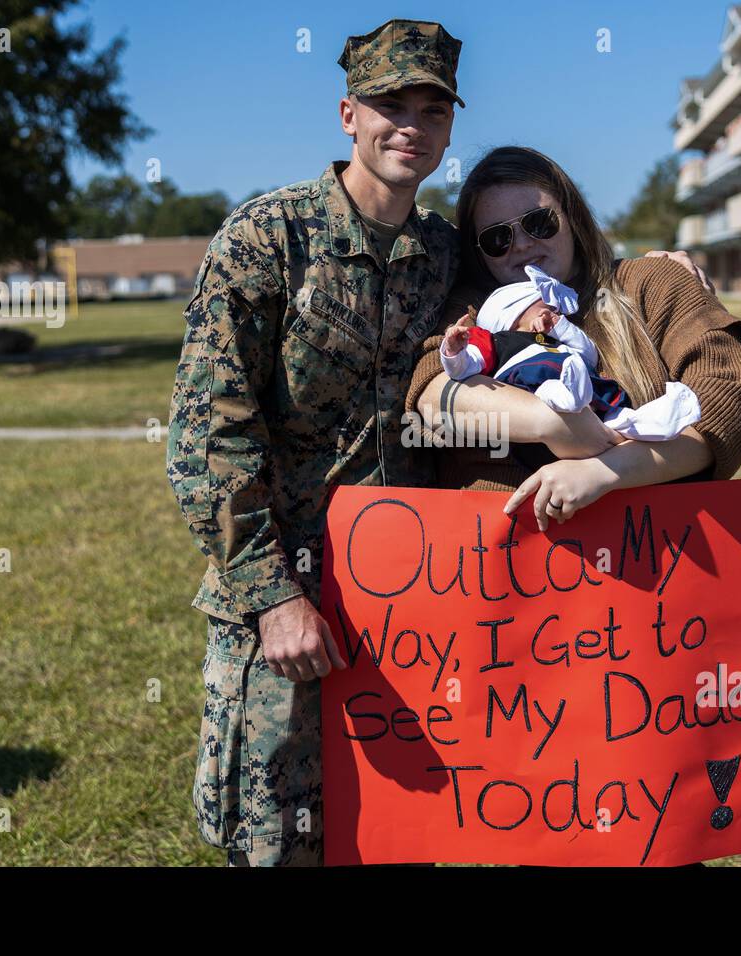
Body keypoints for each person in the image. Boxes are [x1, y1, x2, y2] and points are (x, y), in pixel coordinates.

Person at [165, 18, 466, 867]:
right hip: (287, 614)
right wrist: (272, 596)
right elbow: (209, 434)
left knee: (403, 837)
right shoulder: (271, 238)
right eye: (388, 103)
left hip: (409, 603)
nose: (410, 124)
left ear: (450, 127)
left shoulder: (446, 256)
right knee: (278, 846)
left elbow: (552, 298)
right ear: (347, 114)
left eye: (432, 108)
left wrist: (666, 273)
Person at [407, 146, 741, 532]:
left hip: (649, 557)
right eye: (497, 238)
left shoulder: (652, 282)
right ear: (480, 254)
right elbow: (430, 394)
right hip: (498, 565)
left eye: (539, 222)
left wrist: (605, 471)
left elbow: (726, 402)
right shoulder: (476, 310)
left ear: (572, 217)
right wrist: (554, 425)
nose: (521, 244)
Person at [439, 262, 702, 440]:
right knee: (548, 390)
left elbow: (589, 354)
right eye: (546, 306)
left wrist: (560, 327)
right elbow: (466, 368)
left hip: (585, 388)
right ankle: (567, 396)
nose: (555, 311)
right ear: (513, 312)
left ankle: (667, 416)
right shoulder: (497, 341)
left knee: (621, 417)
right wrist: (453, 350)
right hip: (532, 384)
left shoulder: (554, 340)